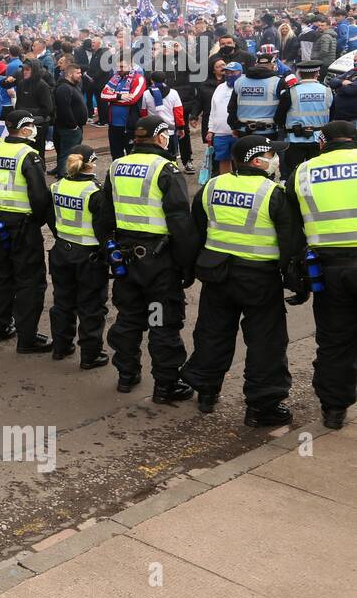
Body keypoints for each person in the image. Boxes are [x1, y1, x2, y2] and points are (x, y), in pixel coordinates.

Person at [180, 136, 300, 426]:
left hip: (217, 275)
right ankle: (262, 406)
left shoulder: (212, 186)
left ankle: (206, 391)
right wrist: (296, 281)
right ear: (258, 160)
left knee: (212, 332)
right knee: (265, 342)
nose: (277, 159)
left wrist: (189, 269)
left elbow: (196, 231)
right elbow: (291, 243)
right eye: (273, 154)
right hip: (258, 279)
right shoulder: (273, 193)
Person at [96, 116, 196, 401]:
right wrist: (187, 264)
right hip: (158, 263)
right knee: (161, 321)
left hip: (126, 259)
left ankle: (127, 374)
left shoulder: (116, 166)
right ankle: (166, 385)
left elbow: (105, 215)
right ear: (160, 137)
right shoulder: (165, 169)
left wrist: (108, 249)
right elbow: (180, 221)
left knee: (128, 318)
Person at [287, 120, 357, 429]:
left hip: (328, 269)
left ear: (321, 143)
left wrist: (295, 275)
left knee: (334, 340)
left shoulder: (302, 173)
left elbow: (290, 228)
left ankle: (333, 410)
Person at [0, 110, 54, 352]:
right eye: (32, 125)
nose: (35, 128)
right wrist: (38, 220)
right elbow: (39, 196)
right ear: (24, 129)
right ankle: (27, 338)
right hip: (22, 226)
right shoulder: (29, 155)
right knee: (29, 282)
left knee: (1, 276)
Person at [48, 145, 110, 369]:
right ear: (91, 163)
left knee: (63, 301)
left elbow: (50, 218)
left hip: (61, 250)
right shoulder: (94, 191)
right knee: (91, 306)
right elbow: (103, 227)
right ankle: (90, 355)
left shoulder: (57, 186)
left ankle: (61, 346)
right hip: (88, 255)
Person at [275, 60, 332, 179]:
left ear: (299, 74)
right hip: (319, 141)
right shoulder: (327, 90)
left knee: (294, 175)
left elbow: (279, 117)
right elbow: (333, 114)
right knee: (317, 175)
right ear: (317, 73)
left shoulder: (291, 91)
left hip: (295, 140)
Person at [140, 71, 192, 174]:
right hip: (170, 131)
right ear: (165, 80)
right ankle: (173, 172)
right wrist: (181, 127)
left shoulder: (146, 93)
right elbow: (178, 112)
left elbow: (143, 113)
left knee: (155, 155)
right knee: (171, 154)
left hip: (153, 130)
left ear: (151, 80)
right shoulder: (173, 93)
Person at [228, 53, 285, 139]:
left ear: (256, 65)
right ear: (273, 66)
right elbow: (284, 108)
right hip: (269, 132)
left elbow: (232, 107)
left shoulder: (239, 81)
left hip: (244, 131)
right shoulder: (278, 82)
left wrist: (234, 126)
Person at [99, 57, 146, 161]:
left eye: (122, 66)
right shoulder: (115, 78)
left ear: (130, 66)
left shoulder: (138, 79)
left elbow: (132, 99)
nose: (118, 69)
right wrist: (119, 96)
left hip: (129, 125)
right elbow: (103, 95)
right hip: (113, 125)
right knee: (116, 156)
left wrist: (112, 98)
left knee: (132, 156)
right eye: (117, 66)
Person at [51, 63, 89, 178]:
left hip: (72, 127)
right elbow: (64, 109)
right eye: (78, 73)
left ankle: (66, 173)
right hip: (69, 128)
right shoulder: (64, 88)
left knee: (70, 152)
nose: (80, 75)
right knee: (68, 153)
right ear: (70, 74)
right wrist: (73, 125)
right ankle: (64, 176)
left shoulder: (72, 86)